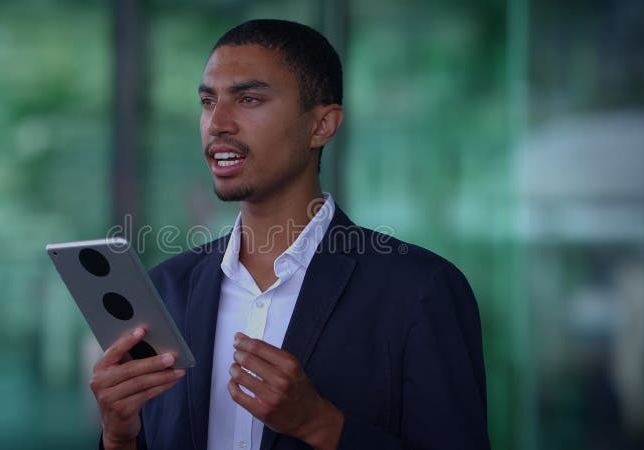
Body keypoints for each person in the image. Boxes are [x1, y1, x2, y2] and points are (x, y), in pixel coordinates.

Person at [90, 19, 491, 450]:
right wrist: (117, 437)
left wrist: (320, 424)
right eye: (208, 101)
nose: (217, 123)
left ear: (322, 125)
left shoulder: (419, 290)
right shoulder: (167, 290)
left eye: (248, 98)